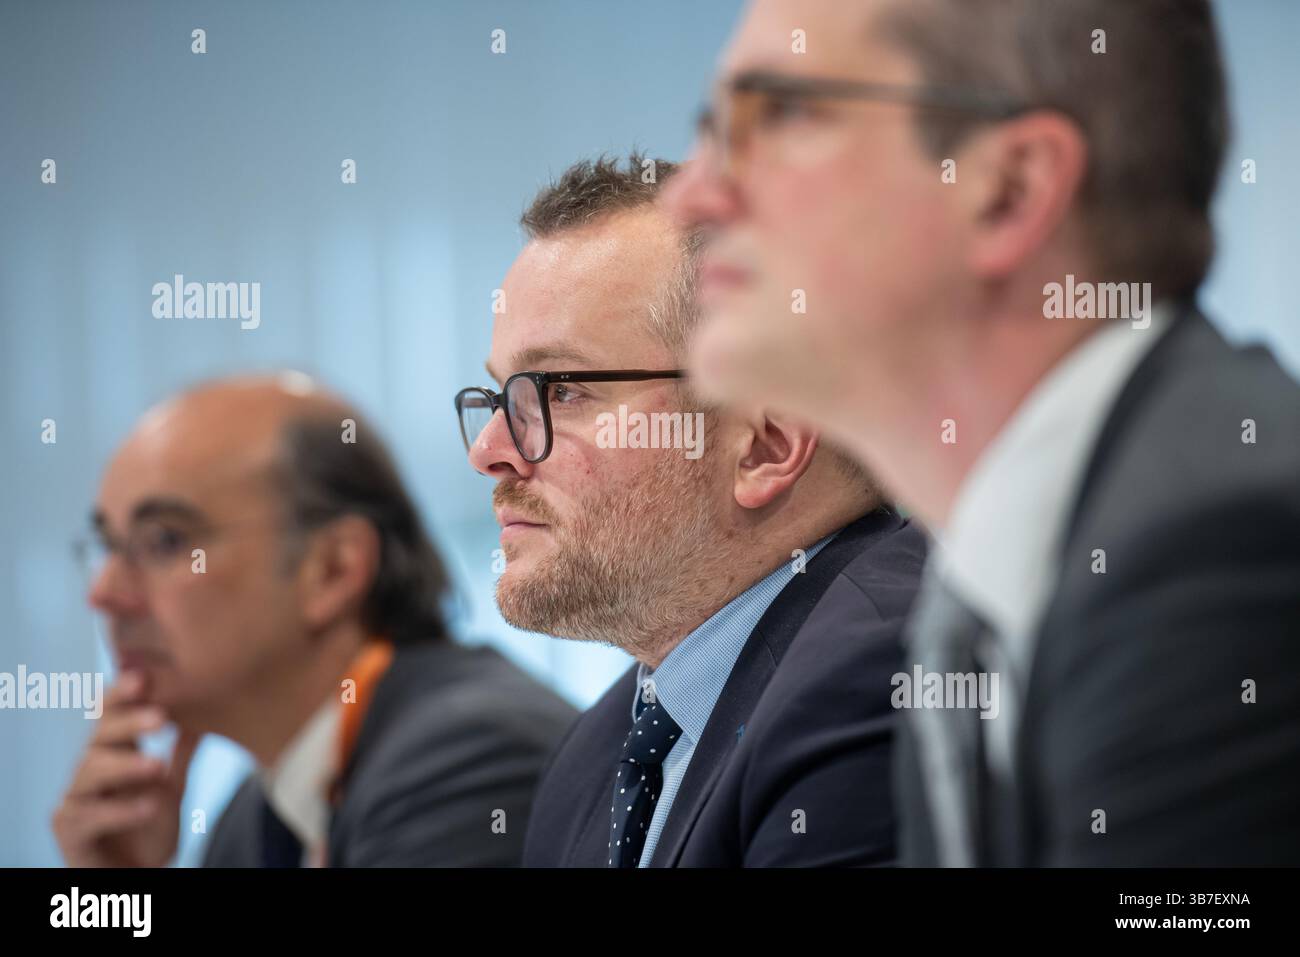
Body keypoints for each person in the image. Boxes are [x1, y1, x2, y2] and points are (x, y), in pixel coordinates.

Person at [664, 0, 1300, 864]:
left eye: (782, 113)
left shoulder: (1220, 547)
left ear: (1009, 192)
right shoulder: (982, 591)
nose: (690, 196)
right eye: (710, 131)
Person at [456, 154, 926, 866]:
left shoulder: (875, 682)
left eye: (561, 391)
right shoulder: (593, 755)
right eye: (500, 397)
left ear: (765, 443)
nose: (491, 449)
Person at [54, 373, 576, 867]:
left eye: (164, 541)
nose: (103, 594)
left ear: (333, 569)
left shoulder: (468, 762)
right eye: (108, 547)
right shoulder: (258, 811)